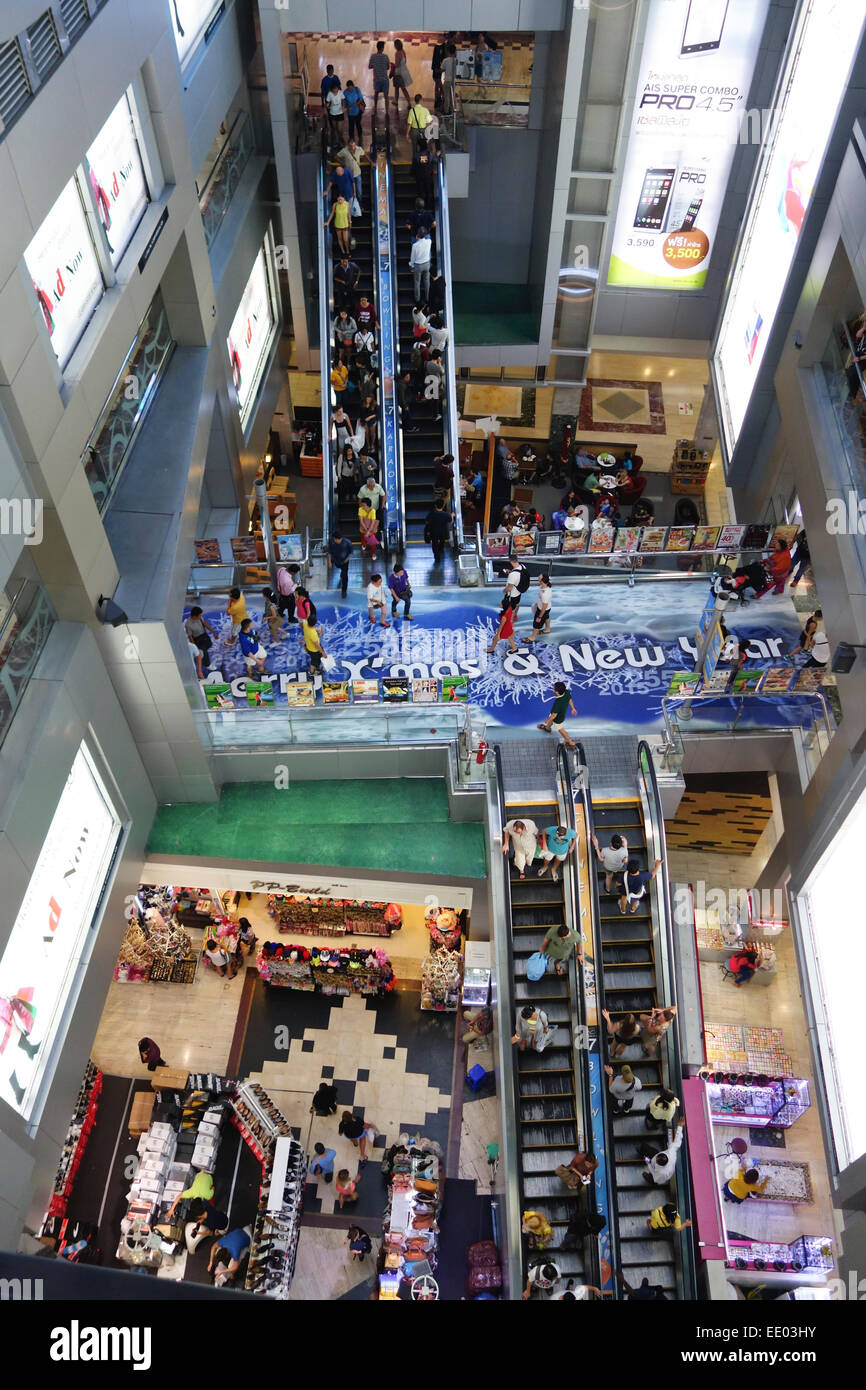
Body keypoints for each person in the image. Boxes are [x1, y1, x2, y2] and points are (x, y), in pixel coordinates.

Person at [639, 1115, 686, 1185]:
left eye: (657, 1160)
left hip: (657, 1177)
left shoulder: (662, 1173)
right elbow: (677, 1141)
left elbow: (655, 1175)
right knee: (649, 1150)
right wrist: (680, 1127)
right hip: (655, 1165)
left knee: (653, 1180)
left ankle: (650, 1181)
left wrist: (648, 1163)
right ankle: (641, 1149)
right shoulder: (671, 1152)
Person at [537, 681, 578, 748]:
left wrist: (547, 720)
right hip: (558, 714)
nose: (553, 689)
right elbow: (570, 699)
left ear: (557, 692)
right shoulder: (567, 692)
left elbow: (554, 716)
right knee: (551, 719)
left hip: (558, 719)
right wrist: (573, 708)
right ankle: (547, 728)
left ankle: (571, 742)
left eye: (554, 688)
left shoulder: (557, 703)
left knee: (560, 729)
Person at [525, 574, 552, 643]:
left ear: (542, 580)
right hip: (547, 608)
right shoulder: (546, 585)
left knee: (536, 623)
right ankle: (547, 629)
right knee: (546, 617)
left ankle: (532, 637)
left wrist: (539, 616)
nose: (539, 575)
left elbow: (544, 606)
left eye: (540, 576)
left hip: (543, 609)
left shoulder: (545, 594)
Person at [424, 496, 452, 565]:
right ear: (443, 505)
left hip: (433, 531)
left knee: (434, 543)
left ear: (435, 505)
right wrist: (452, 516)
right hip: (442, 531)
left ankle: (437, 557)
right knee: (442, 541)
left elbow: (426, 521)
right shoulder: (446, 514)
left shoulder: (432, 513)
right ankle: (441, 550)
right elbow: (450, 521)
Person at [368, 40, 390, 119]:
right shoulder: (386, 56)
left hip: (377, 79)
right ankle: (387, 111)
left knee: (376, 93)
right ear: (382, 48)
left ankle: (375, 108)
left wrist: (375, 65)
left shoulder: (373, 56)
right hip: (384, 79)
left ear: (377, 48)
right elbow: (388, 67)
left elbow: (369, 66)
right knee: (386, 96)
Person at [328, 530, 353, 599]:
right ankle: (342, 571)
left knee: (345, 575)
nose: (335, 541)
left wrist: (345, 561)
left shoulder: (347, 543)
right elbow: (329, 552)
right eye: (334, 539)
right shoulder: (331, 541)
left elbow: (350, 553)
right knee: (339, 567)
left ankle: (344, 590)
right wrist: (329, 562)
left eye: (336, 540)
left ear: (339, 538)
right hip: (335, 559)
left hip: (344, 561)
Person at [409, 229, 432, 303]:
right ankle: (428, 298)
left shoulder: (415, 246)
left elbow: (412, 258)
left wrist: (411, 265)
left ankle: (417, 300)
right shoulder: (429, 242)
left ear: (417, 235)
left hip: (418, 266)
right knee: (427, 282)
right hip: (427, 264)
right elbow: (428, 238)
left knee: (417, 283)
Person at [390, 39, 412, 114]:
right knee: (401, 88)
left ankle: (405, 102)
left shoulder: (397, 53)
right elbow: (405, 62)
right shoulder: (403, 52)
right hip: (404, 71)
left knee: (399, 88)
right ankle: (404, 102)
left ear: (396, 46)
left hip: (398, 73)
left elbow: (397, 64)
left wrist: (392, 65)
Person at [397, 368, 418, 434]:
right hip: (405, 403)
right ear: (404, 377)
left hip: (406, 402)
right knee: (407, 416)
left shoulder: (403, 383)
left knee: (406, 416)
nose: (409, 378)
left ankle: (408, 427)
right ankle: (409, 428)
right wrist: (405, 405)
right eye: (407, 377)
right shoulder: (401, 385)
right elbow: (401, 397)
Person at [325, 80, 345, 146]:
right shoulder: (329, 94)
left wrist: (343, 106)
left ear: (338, 88)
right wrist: (327, 106)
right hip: (332, 113)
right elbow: (327, 102)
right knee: (334, 128)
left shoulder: (340, 93)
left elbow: (343, 100)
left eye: (336, 89)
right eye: (333, 89)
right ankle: (337, 141)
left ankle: (340, 139)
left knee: (339, 129)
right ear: (331, 89)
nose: (335, 90)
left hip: (340, 113)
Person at [441, 42, 457, 115]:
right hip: (453, 80)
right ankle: (452, 109)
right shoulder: (456, 60)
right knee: (452, 95)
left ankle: (446, 111)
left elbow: (442, 69)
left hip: (447, 80)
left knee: (446, 96)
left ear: (448, 51)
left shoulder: (445, 60)